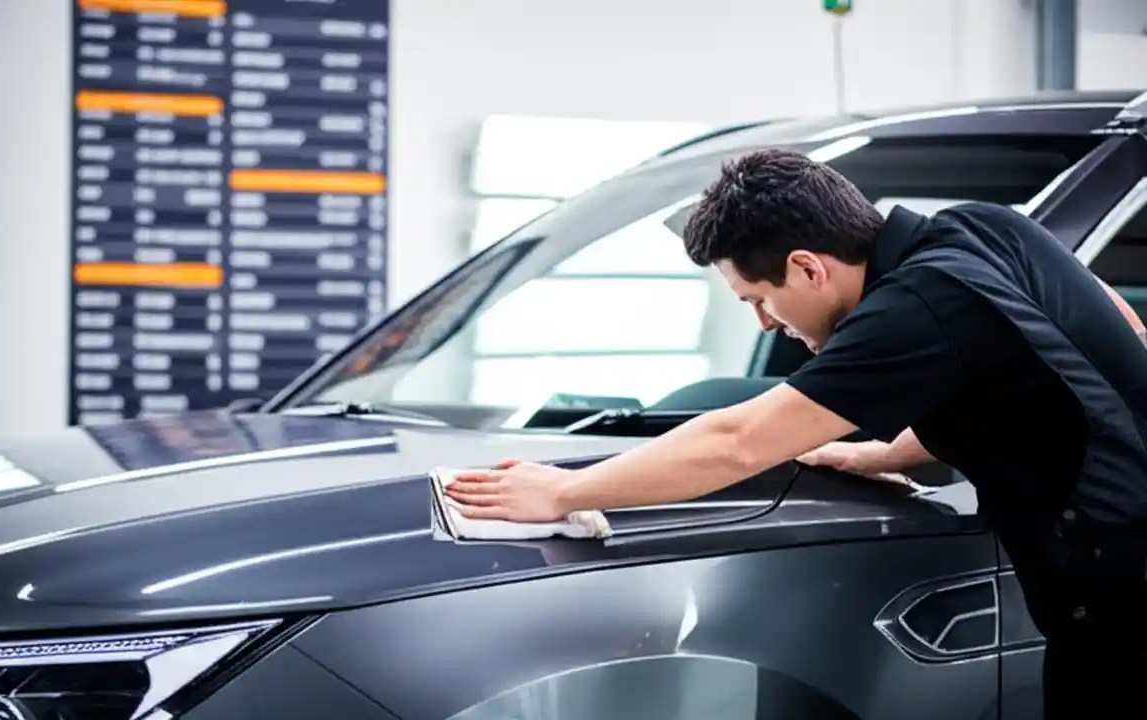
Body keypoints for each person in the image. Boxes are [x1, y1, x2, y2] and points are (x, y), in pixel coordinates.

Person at [445, 148, 1147, 717]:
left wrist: (565, 491)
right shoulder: (987, 228)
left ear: (807, 266)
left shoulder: (915, 311)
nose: (765, 324)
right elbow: (1078, 353)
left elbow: (738, 441)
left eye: (758, 300)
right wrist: (883, 451)